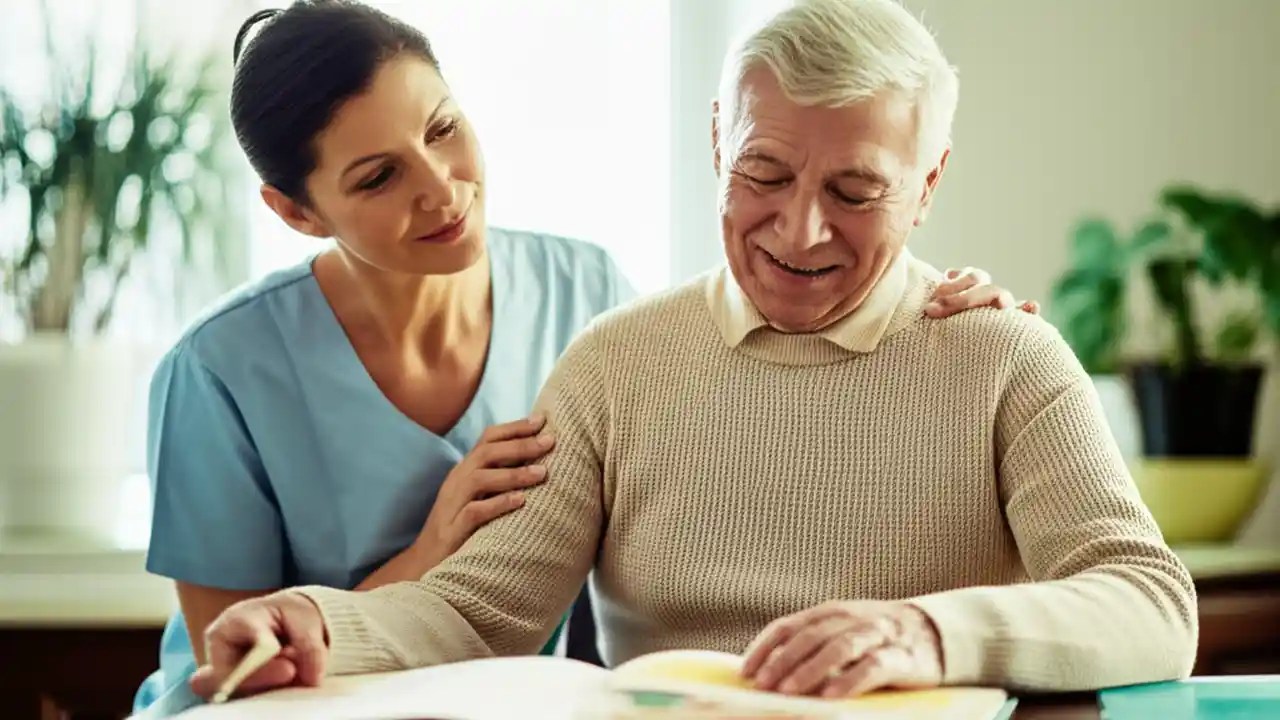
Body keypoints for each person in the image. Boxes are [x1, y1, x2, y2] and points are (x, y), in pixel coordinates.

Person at [132, 0, 1034, 710]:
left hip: (485, 699)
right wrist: (439, 543)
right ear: (297, 212)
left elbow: (740, 360)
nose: (442, 189)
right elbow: (243, 664)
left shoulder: (585, 288)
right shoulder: (219, 371)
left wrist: (924, 302)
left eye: (442, 129)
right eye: (377, 176)